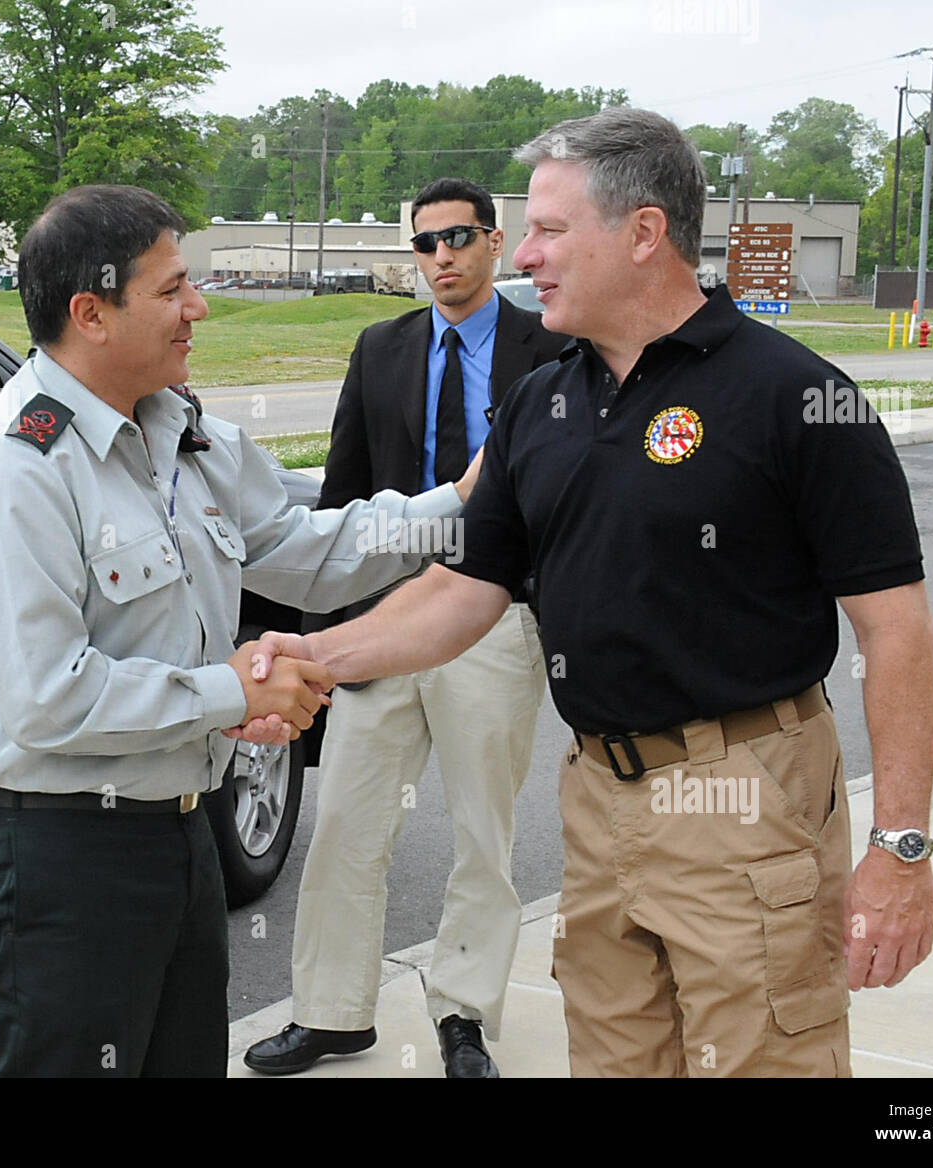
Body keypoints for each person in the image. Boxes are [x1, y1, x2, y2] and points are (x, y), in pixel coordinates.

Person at [243, 108, 933, 1078]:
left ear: (644, 233)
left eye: (549, 230)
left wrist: (900, 851)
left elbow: (899, 634)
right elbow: (461, 590)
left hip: (747, 799)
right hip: (597, 804)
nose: (523, 254)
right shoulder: (543, 402)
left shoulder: (791, 397)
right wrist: (312, 656)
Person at [0, 184, 478, 1077]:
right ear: (91, 313)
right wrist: (233, 693)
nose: (199, 307)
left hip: (181, 836)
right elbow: (47, 697)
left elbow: (301, 546)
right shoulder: (10, 474)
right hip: (65, 858)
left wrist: (458, 501)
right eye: (174, 288)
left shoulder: (184, 433)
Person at [243, 178, 566, 1079]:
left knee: (481, 833)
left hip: (495, 615)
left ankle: (464, 1017)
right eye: (425, 244)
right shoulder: (379, 349)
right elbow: (342, 495)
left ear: (495, 243)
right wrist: (326, 632)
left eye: (459, 238)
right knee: (347, 818)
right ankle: (333, 1014)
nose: (442, 258)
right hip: (384, 617)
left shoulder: (553, 350)